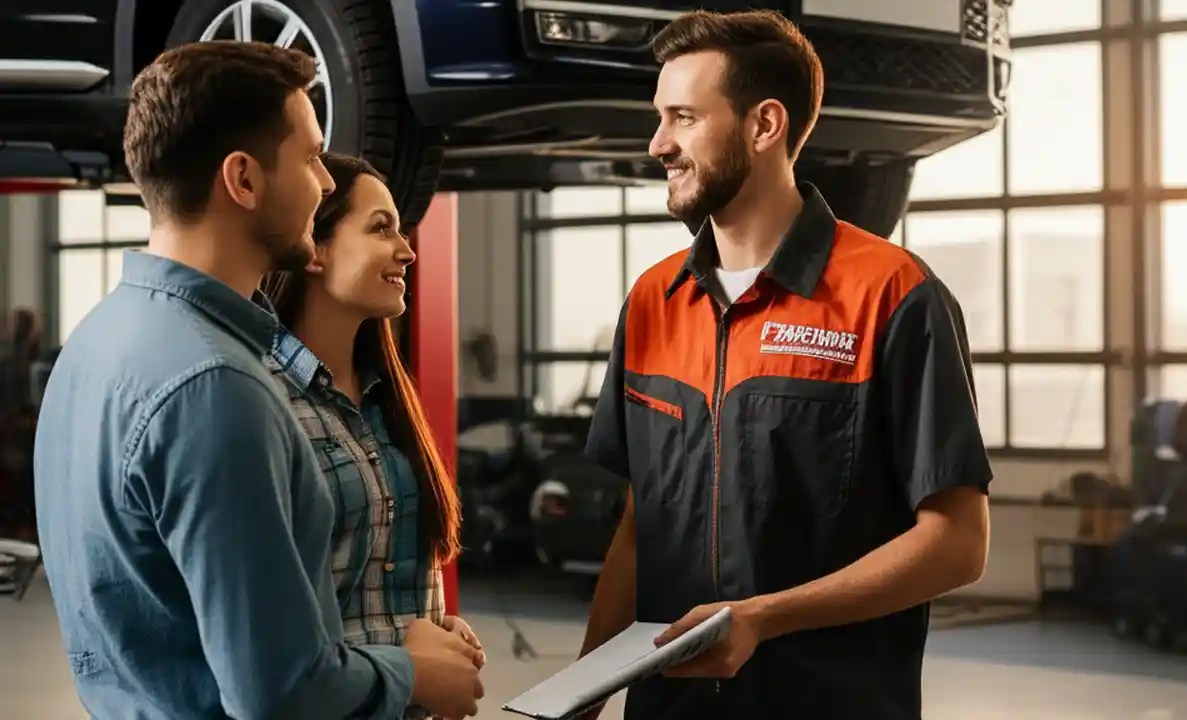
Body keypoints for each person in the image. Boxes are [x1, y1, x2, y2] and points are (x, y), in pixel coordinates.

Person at [33, 41, 481, 719]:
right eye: (307, 158)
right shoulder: (215, 387)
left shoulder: (93, 344)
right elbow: (278, 692)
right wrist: (409, 676)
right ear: (242, 179)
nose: (325, 183)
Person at [577, 10, 992, 720]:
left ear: (763, 126)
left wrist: (763, 618)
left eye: (682, 117)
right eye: (659, 118)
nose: (658, 145)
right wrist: (580, 696)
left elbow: (957, 543)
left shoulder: (891, 295)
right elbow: (638, 524)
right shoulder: (652, 300)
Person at [261, 152, 485, 719]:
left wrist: (438, 632)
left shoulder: (388, 401)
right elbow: (270, 636)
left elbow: (379, 577)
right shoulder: (262, 401)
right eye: (380, 228)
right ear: (316, 248)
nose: (407, 250)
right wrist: (406, 663)